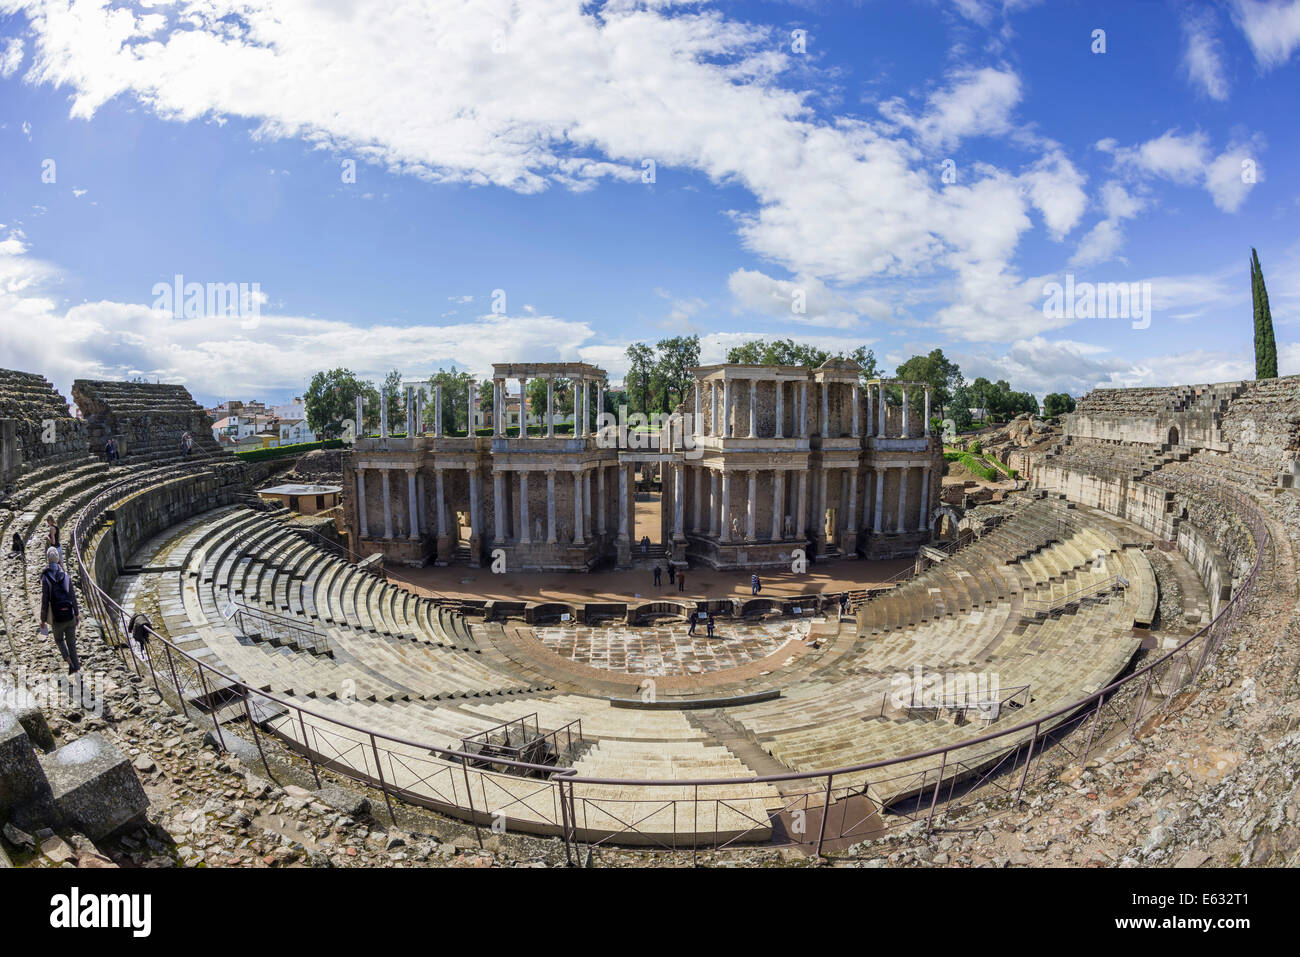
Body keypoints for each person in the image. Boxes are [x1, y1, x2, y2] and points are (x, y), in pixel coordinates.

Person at [39, 547, 80, 675]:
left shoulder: (46, 578)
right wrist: (77, 614)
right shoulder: (66, 575)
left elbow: (45, 601)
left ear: (47, 559)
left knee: (59, 640)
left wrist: (43, 619)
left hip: (57, 618)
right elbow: (72, 596)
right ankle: (76, 667)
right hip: (70, 615)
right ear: (58, 559)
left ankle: (69, 662)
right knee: (71, 643)